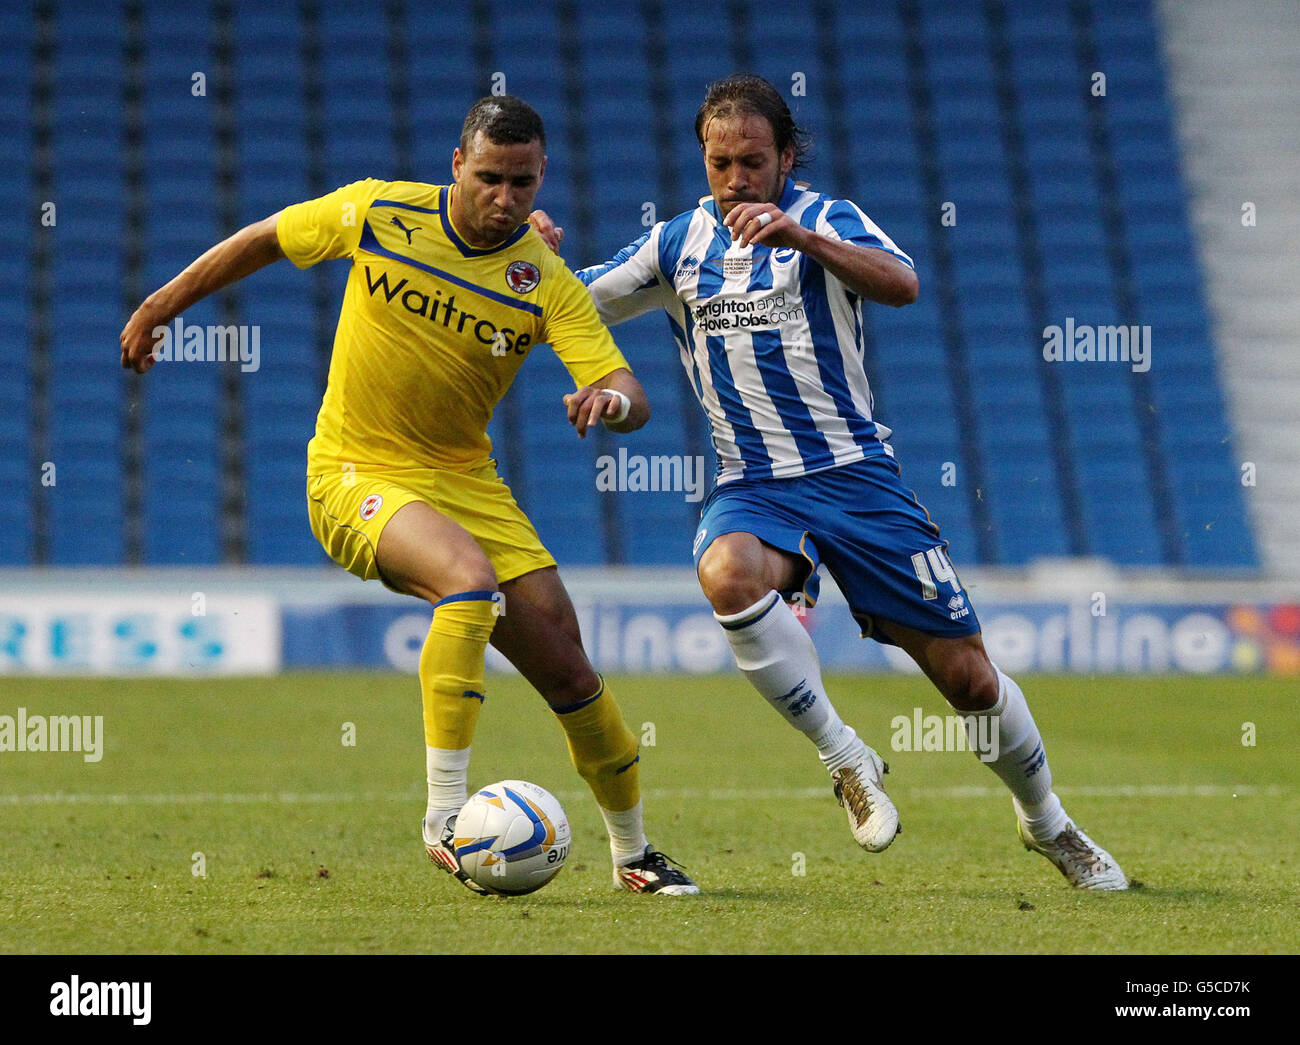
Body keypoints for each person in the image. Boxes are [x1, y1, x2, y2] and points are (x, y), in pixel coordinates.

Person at [532, 74, 1126, 889]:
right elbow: (569, 305)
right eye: (719, 162)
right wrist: (531, 256)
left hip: (856, 477)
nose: (736, 178)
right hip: (754, 484)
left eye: (752, 160)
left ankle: (1048, 823)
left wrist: (803, 241)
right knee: (726, 575)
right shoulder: (676, 243)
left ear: (785, 157)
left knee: (969, 680)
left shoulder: (823, 218)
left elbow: (902, 283)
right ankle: (847, 758)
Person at [119, 95, 697, 897]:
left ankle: (634, 855)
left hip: (465, 480)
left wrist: (613, 404)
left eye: (522, 183)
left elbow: (625, 385)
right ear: (456, 166)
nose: (505, 198)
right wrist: (158, 307)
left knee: (569, 668)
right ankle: (444, 818)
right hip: (355, 471)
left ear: (542, 178)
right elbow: (265, 239)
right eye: (489, 178)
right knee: (467, 579)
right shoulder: (380, 211)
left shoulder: (544, 278)